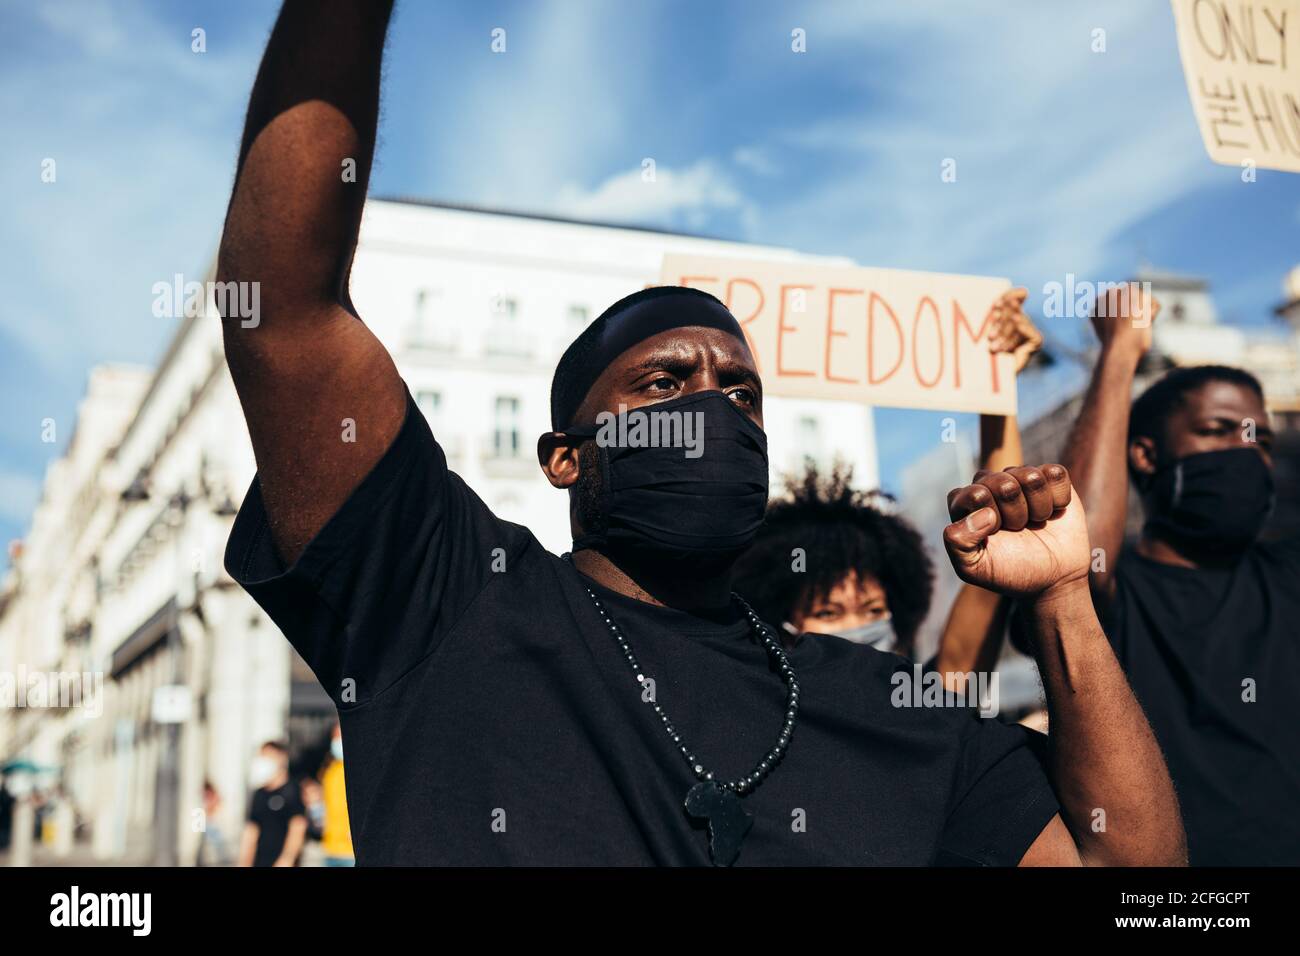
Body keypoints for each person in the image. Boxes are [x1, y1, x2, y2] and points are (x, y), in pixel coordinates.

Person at [215, 0, 1183, 866]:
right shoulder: (452, 603)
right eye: (665, 380)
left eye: (742, 391)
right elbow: (285, 312)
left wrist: (1062, 601)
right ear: (564, 458)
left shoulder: (886, 707)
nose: (715, 405)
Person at [1062, 282, 1300, 866]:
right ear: (1144, 455)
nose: (1246, 454)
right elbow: (1074, 555)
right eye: (1219, 431)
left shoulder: (1288, 573)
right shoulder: (1113, 596)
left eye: (1260, 439)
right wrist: (1119, 352)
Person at [733, 292, 1043, 685]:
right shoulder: (756, 725)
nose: (857, 628)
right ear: (780, 625)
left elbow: (995, 540)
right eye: (829, 613)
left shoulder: (923, 709)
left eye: (873, 609)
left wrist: (998, 386)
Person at [238, 741, 308, 868]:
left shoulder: (292, 790)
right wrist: (244, 861)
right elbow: (252, 830)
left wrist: (287, 859)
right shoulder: (259, 793)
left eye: (268, 756)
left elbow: (298, 826)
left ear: (281, 758)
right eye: (261, 756)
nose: (263, 761)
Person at [319, 723, 355, 867]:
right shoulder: (330, 771)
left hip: (350, 851)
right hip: (330, 848)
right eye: (335, 736)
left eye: (341, 735)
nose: (337, 740)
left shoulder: (358, 769)